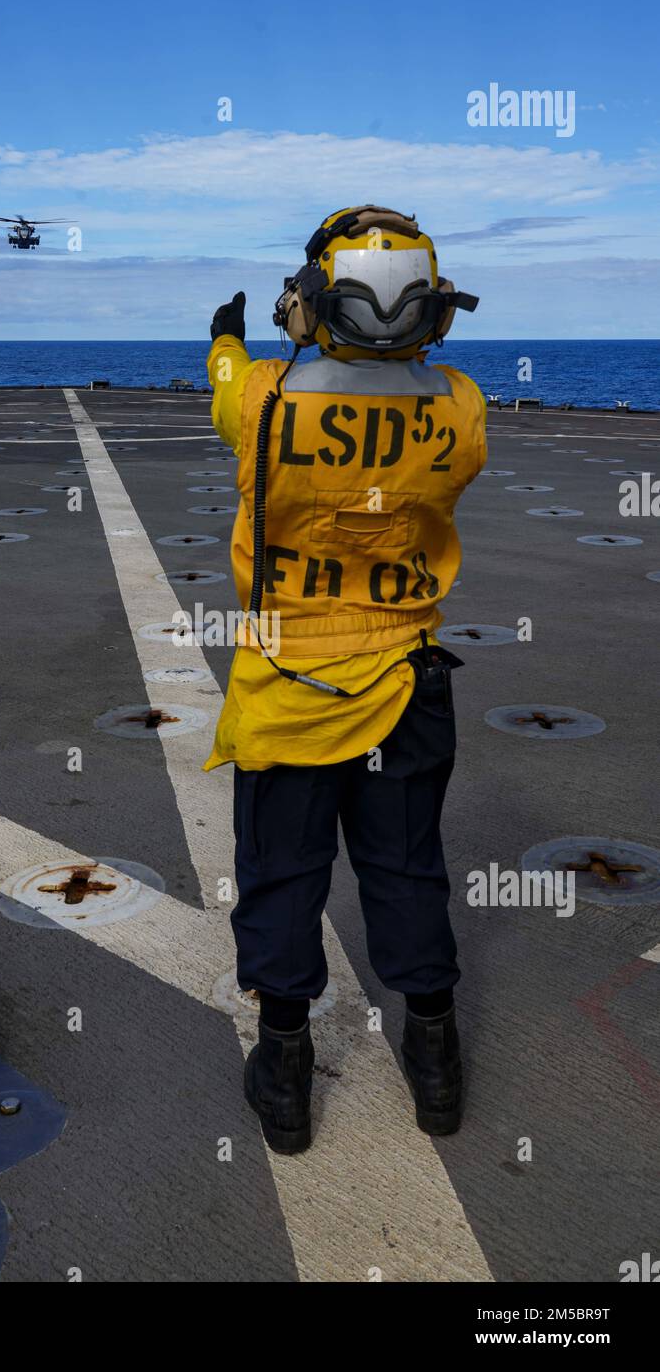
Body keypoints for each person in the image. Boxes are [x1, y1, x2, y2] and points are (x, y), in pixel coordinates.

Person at [204, 205, 486, 1154]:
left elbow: (228, 391)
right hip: (409, 681)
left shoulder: (261, 402)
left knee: (283, 877)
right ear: (431, 308)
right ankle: (435, 1061)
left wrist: (232, 339)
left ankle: (283, 1075)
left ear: (318, 300)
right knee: (405, 871)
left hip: (292, 687)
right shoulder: (461, 406)